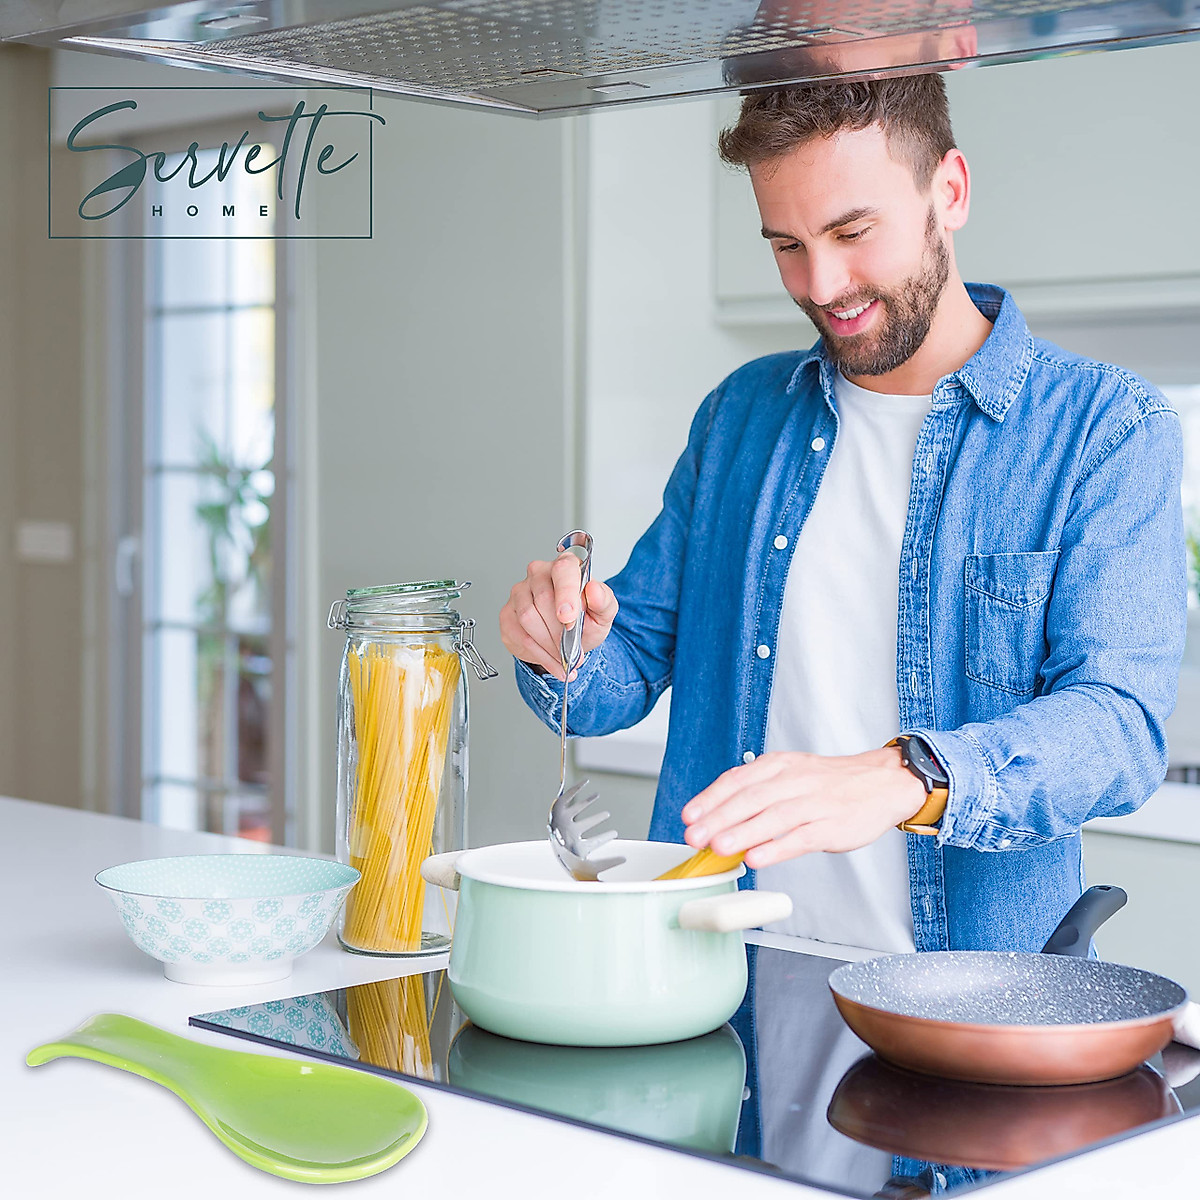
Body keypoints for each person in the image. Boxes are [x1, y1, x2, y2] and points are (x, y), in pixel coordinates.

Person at [499, 74, 1188, 955]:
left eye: (852, 232)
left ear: (949, 191)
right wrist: (561, 643)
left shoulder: (1103, 428)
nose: (822, 284)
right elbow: (620, 671)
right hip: (725, 972)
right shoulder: (740, 415)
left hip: (966, 994)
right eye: (787, 244)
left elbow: (1120, 727)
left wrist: (906, 776)